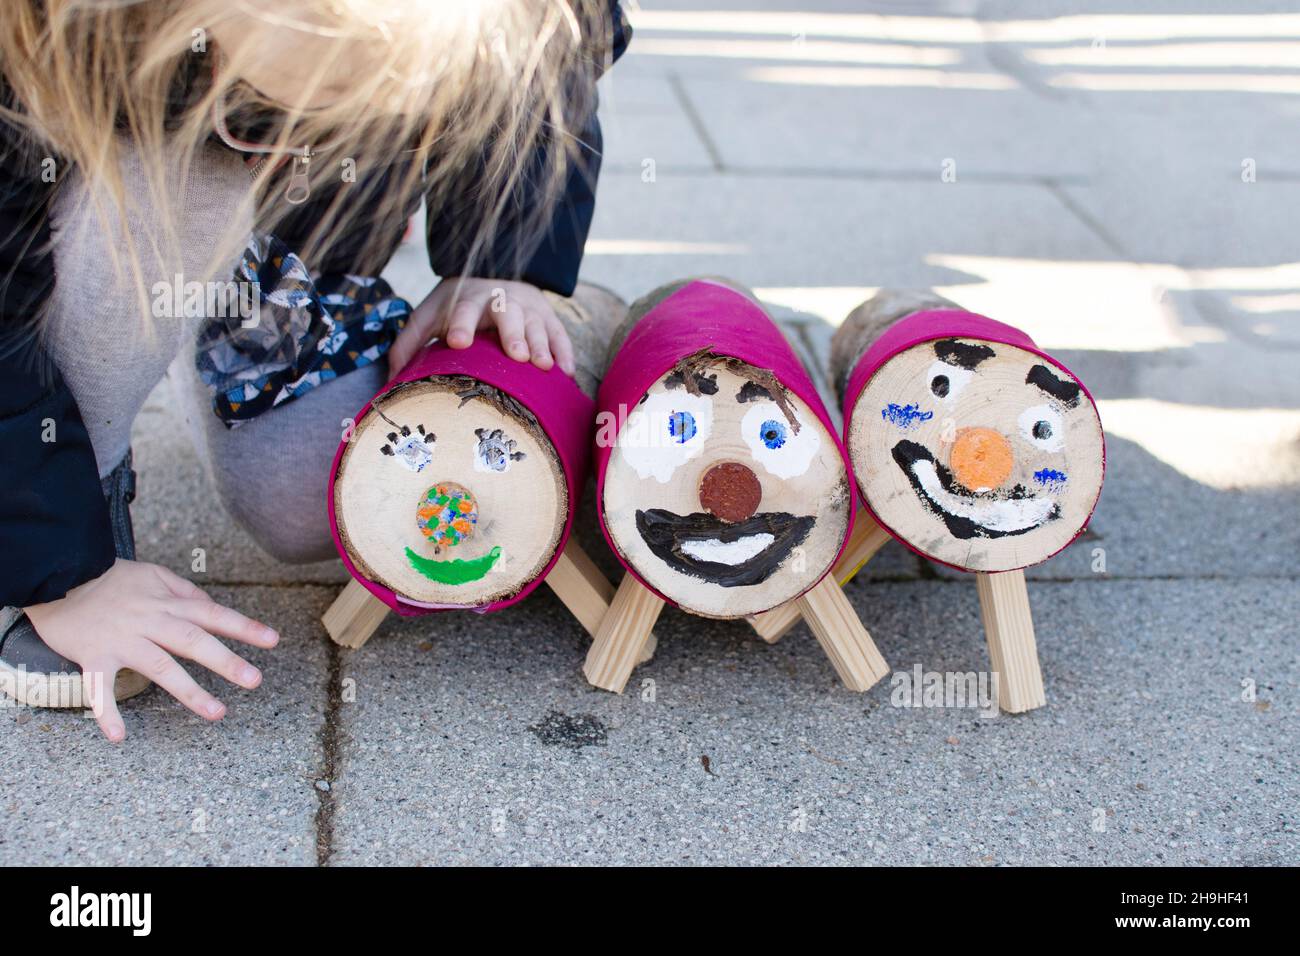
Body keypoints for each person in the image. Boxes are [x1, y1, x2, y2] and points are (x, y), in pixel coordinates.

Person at [0, 0, 629, 741]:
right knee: (174, 185)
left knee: (315, 494)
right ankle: (90, 466)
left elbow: (551, 52)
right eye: (342, 88)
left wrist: (505, 262)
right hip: (106, 208)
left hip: (293, 250)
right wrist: (62, 569)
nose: (371, 116)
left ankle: (199, 323)